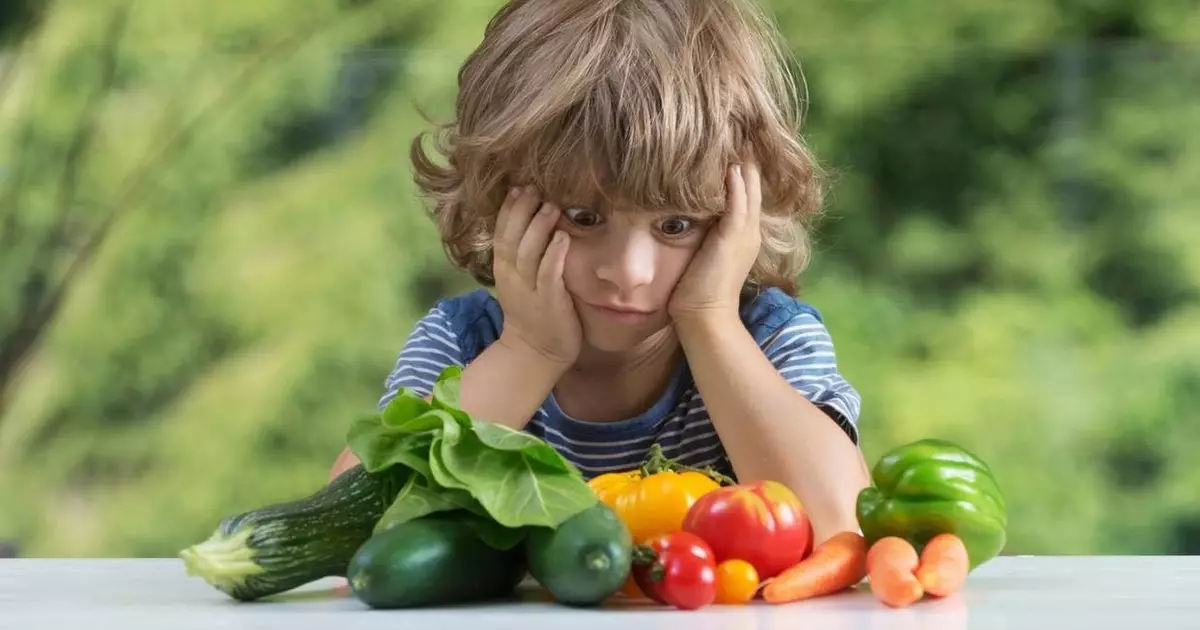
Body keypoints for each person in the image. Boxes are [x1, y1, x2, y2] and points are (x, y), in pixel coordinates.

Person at [329, 0, 869, 544]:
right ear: (498, 197)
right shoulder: (463, 344)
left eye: (676, 224)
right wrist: (528, 353)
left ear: (739, 215)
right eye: (584, 217)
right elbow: (346, 533)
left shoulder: (770, 339)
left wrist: (710, 322)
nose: (628, 272)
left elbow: (841, 528)